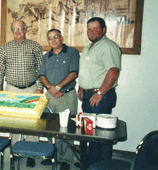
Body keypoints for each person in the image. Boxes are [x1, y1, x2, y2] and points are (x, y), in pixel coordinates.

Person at [0, 20, 43, 168]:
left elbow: (41, 69)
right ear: (11, 31)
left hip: (31, 89)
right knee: (14, 122)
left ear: (25, 29)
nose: (17, 32)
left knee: (32, 123)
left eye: (20, 29)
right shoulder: (5, 47)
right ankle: (15, 152)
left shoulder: (35, 46)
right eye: (14, 30)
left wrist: (40, 88)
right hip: (12, 90)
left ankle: (31, 153)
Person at [78, 17, 121, 166]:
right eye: (89, 29)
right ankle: (91, 163)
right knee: (89, 132)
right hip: (89, 95)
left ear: (104, 30)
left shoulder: (108, 46)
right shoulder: (88, 46)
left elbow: (113, 71)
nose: (92, 32)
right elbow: (86, 69)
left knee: (101, 135)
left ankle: (102, 166)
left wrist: (100, 93)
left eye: (96, 28)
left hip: (101, 96)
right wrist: (82, 87)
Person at [38, 29, 79, 170]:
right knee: (49, 127)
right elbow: (41, 75)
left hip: (67, 95)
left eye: (56, 37)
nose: (53, 40)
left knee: (66, 128)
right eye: (50, 38)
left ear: (61, 38)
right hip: (50, 95)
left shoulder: (72, 53)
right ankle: (53, 155)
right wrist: (51, 88)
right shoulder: (46, 56)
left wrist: (59, 87)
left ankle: (67, 160)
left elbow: (74, 73)